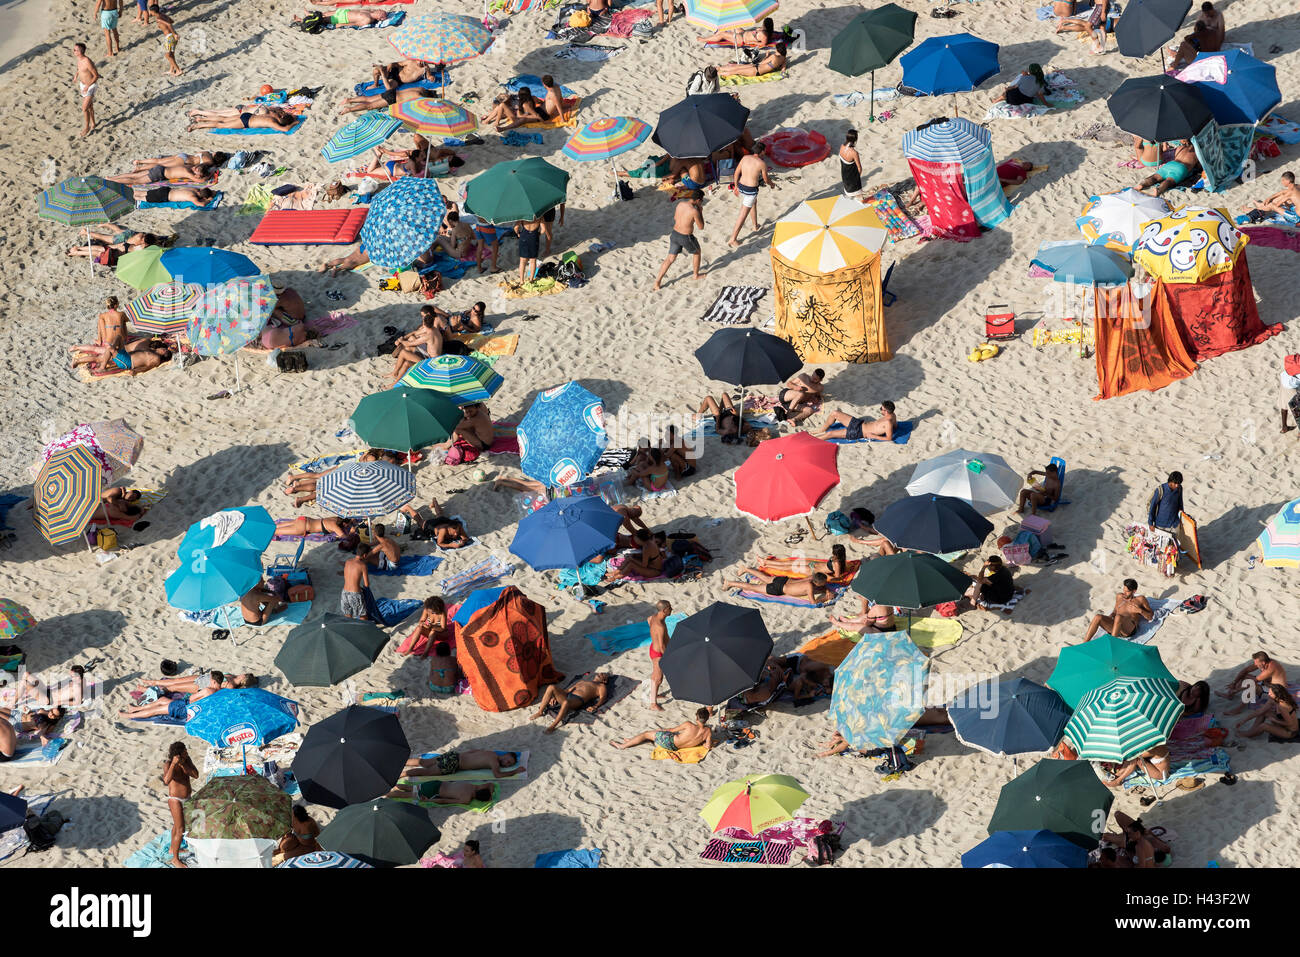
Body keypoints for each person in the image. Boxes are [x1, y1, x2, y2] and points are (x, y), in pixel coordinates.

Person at [654, 190, 705, 290]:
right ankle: (695, 275)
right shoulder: (694, 211)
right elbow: (701, 227)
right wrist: (700, 212)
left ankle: (657, 282)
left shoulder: (680, 204)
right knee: (697, 252)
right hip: (686, 237)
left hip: (674, 234)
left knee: (670, 259)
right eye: (701, 201)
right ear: (698, 200)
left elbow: (675, 217)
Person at [531, 673, 611, 733]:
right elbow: (567, 691)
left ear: (604, 680)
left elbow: (603, 698)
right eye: (600, 673)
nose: (600, 674)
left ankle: (553, 726)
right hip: (568, 696)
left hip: (577, 700)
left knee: (565, 702)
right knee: (551, 687)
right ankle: (540, 712)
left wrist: (595, 706)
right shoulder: (582, 681)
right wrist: (555, 696)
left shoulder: (601, 686)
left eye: (603, 675)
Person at [728, 142, 773, 247]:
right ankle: (733, 239)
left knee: (754, 202)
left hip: (741, 186)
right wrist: (772, 184)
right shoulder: (762, 163)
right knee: (742, 215)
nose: (765, 153)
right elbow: (766, 180)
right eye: (764, 151)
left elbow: (736, 173)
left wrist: (736, 186)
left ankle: (755, 226)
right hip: (750, 190)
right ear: (762, 152)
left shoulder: (745, 158)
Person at [612, 707, 713, 751]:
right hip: (678, 748)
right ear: (707, 719)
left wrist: (661, 730)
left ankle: (623, 746)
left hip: (669, 742)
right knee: (653, 734)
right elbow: (707, 746)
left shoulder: (689, 724)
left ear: (696, 717)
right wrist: (702, 743)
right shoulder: (708, 731)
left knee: (646, 734)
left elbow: (671, 731)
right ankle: (631, 741)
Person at [162, 742, 198, 868]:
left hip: (187, 798)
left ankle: (172, 848)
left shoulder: (187, 761)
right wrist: (173, 764)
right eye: (184, 751)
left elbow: (196, 775)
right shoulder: (168, 764)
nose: (187, 753)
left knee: (177, 826)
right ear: (177, 754)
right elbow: (166, 781)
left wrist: (184, 765)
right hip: (175, 800)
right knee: (180, 829)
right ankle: (175, 859)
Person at [1083, 579, 1154, 641]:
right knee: (1098, 617)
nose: (1124, 593)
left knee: (1118, 617)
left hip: (1128, 629)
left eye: (1127, 591)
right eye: (1124, 590)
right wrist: (1110, 616)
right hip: (1116, 627)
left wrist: (1140, 611)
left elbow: (1150, 616)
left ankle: (1112, 645)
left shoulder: (1140, 599)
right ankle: (1083, 645)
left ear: (1134, 591)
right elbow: (1115, 611)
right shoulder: (1119, 596)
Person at [1219, 651, 1288, 714]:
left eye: (1256, 663)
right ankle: (1229, 695)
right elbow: (1245, 670)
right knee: (1244, 676)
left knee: (1252, 686)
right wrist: (1234, 683)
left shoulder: (1270, 668)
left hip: (1276, 691)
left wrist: (1236, 690)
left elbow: (1253, 682)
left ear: (1263, 662)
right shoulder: (1263, 663)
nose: (1255, 664)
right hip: (1266, 683)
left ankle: (1238, 709)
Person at [1097, 812, 1172, 867]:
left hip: (1127, 841)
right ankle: (1128, 832)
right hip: (1139, 834)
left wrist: (1127, 849)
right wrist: (1148, 833)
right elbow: (1166, 848)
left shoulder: (1140, 858)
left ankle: (1124, 833)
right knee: (1117, 814)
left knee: (1104, 836)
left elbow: (1130, 856)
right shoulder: (1152, 842)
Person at [70, 336, 173, 376]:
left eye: (163, 349)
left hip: (127, 362)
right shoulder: (152, 352)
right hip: (126, 355)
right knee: (118, 338)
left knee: (104, 353)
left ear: (163, 352)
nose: (160, 349)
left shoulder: (156, 359)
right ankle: (111, 349)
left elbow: (147, 367)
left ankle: (101, 367)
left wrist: (136, 371)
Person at [387, 311, 443, 383]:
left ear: (424, 323)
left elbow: (408, 344)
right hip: (431, 357)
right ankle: (395, 372)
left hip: (430, 362)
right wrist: (403, 338)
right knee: (409, 345)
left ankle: (395, 379)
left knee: (404, 352)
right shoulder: (434, 329)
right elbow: (415, 333)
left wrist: (401, 341)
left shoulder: (428, 336)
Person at [723, 568, 831, 604]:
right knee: (752, 587)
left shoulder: (811, 578)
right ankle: (729, 583)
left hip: (784, 580)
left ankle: (746, 569)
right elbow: (813, 602)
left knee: (765, 578)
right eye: (823, 583)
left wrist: (825, 589)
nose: (825, 584)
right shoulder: (810, 587)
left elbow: (820, 586)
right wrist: (826, 597)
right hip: (778, 588)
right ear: (817, 583)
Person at [403, 749, 524, 778]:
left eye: (509, 764)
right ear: (505, 754)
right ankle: (402, 774)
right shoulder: (494, 762)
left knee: (424, 762)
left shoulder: (490, 753)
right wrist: (514, 771)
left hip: (454, 755)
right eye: (508, 760)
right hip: (455, 762)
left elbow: (472, 751)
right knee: (428, 772)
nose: (507, 764)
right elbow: (497, 775)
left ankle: (401, 762)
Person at [810, 401, 896, 441]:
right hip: (858, 423)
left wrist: (874, 436)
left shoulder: (888, 423)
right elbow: (895, 426)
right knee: (835, 413)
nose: (880, 409)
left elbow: (889, 438)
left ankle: (811, 441)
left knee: (830, 434)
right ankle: (821, 429)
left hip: (857, 432)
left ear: (886, 411)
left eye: (881, 409)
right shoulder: (893, 415)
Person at [187, 105, 297, 133]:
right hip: (246, 122)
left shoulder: (272, 114)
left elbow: (284, 119)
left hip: (247, 115)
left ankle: (200, 121)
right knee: (221, 124)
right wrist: (295, 123)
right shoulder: (272, 122)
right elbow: (286, 129)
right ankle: (198, 125)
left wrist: (293, 118)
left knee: (222, 118)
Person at [338, 85, 436, 115]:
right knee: (370, 106)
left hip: (392, 92)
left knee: (369, 99)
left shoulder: (421, 89)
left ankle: (350, 100)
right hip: (392, 99)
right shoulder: (419, 97)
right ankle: (349, 109)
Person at [109, 160, 219, 186]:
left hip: (160, 168)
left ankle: (111, 178)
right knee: (135, 181)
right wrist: (211, 174)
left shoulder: (189, 166)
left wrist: (210, 168)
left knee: (133, 175)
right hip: (159, 174)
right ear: (196, 170)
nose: (197, 175)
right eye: (198, 173)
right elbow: (200, 180)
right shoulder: (187, 172)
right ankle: (113, 182)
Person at [647, 600, 672, 711]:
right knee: (658, 678)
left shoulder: (653, 617)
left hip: (653, 648)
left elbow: (648, 620)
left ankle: (654, 695)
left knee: (656, 676)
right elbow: (662, 646)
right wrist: (668, 657)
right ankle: (653, 704)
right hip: (658, 653)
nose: (671, 609)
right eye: (670, 608)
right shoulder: (659, 626)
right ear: (664, 610)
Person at [386, 779, 495, 805]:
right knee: (407, 795)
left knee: (411, 788)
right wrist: (428, 800)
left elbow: (491, 784)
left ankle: (393, 786)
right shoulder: (466, 799)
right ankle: (386, 794)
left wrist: (489, 793)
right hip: (433, 791)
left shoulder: (475, 786)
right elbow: (444, 800)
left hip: (436, 783)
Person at [718, 40, 786, 78]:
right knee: (738, 68)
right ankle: (719, 70)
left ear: (778, 50)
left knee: (736, 70)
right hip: (756, 69)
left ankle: (719, 71)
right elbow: (783, 69)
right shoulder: (783, 59)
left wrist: (767, 56)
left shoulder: (773, 56)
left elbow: (762, 63)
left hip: (756, 70)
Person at [74, 43, 100, 138]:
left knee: (84, 108)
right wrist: (76, 75)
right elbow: (80, 69)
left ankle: (87, 127)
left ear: (80, 51)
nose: (74, 51)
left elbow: (96, 75)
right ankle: (93, 123)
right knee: (90, 107)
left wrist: (88, 85)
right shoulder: (79, 59)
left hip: (91, 86)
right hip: (83, 85)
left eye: (75, 50)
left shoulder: (87, 61)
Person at [696, 16, 775, 46]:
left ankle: (704, 39)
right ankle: (714, 36)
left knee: (722, 34)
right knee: (729, 25)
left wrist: (752, 43)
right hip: (742, 33)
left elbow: (763, 44)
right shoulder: (763, 29)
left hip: (741, 39)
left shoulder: (764, 35)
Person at [151, 4, 182, 76]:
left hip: (170, 37)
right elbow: (171, 21)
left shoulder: (158, 18)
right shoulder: (163, 15)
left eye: (150, 11)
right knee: (171, 54)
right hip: (173, 36)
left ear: (153, 11)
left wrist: (174, 34)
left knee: (168, 55)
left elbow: (169, 24)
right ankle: (172, 70)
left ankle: (178, 70)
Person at [340, 545, 370, 620]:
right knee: (363, 615)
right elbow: (367, 584)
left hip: (344, 592)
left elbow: (346, 576)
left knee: (348, 614)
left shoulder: (347, 562)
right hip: (355, 594)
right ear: (365, 555)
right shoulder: (363, 566)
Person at [295, 6, 392, 27]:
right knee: (323, 14)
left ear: (380, 18)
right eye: (380, 10)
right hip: (343, 12)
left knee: (321, 19)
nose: (379, 10)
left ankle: (302, 20)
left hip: (342, 18)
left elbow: (355, 23)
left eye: (381, 12)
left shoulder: (368, 19)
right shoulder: (370, 11)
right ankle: (309, 15)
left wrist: (339, 24)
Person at [130, 184, 218, 206]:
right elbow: (201, 204)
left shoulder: (194, 189)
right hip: (164, 196)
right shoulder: (192, 197)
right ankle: (130, 197)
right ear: (202, 197)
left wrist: (210, 192)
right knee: (142, 198)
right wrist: (209, 199)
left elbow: (207, 190)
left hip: (165, 189)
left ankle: (130, 192)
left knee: (144, 193)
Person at [515, 215, 543, 283]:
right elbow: (544, 229)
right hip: (534, 237)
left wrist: (518, 234)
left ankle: (521, 281)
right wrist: (538, 234)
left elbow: (516, 228)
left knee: (522, 261)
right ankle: (531, 280)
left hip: (524, 236)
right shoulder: (540, 215)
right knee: (533, 260)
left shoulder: (523, 215)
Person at [839, 129, 864, 200]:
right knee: (860, 199)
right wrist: (857, 180)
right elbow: (859, 168)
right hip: (853, 178)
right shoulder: (854, 153)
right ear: (855, 139)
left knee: (849, 197)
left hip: (844, 176)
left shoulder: (841, 147)